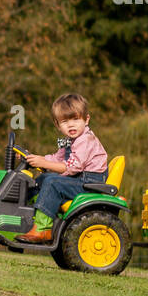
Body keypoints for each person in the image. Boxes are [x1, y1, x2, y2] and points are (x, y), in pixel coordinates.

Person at [16, 93, 108, 244]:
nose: (71, 125)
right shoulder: (69, 140)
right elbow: (57, 159)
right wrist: (34, 159)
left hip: (90, 183)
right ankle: (26, 211)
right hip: (79, 179)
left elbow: (71, 167)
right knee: (44, 179)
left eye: (76, 119)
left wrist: (44, 163)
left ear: (86, 119)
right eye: (65, 121)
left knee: (52, 182)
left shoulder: (85, 140)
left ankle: (42, 228)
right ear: (57, 125)